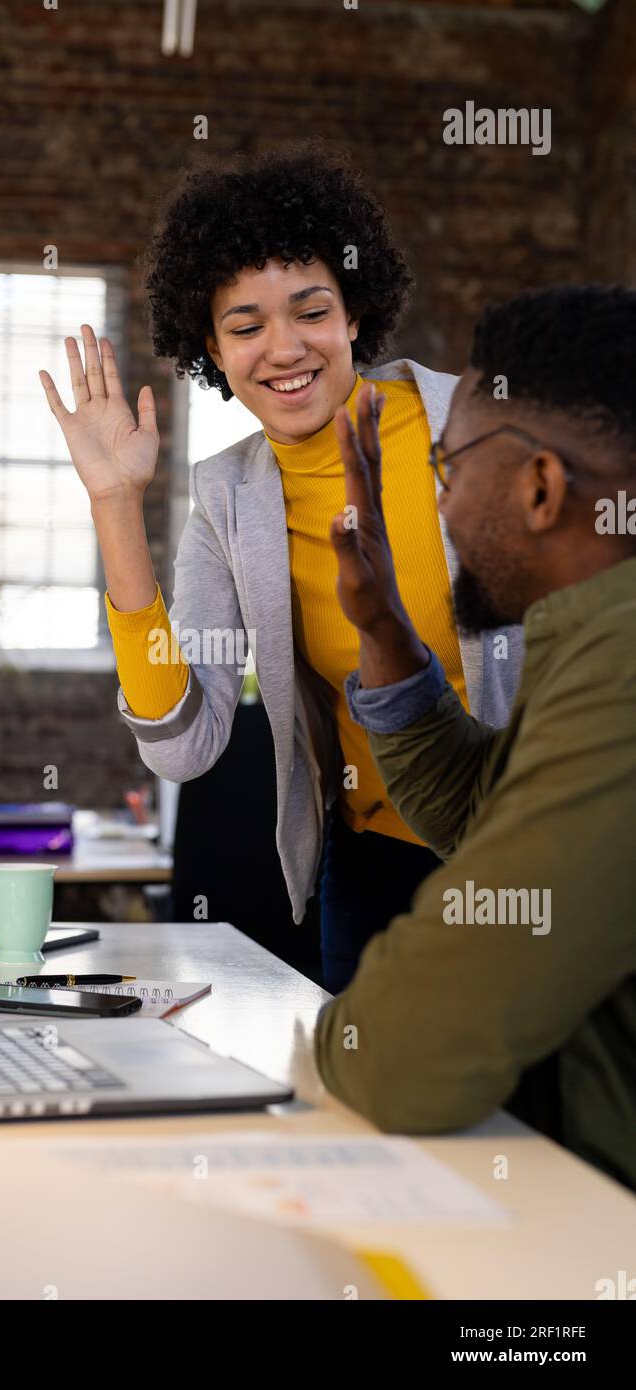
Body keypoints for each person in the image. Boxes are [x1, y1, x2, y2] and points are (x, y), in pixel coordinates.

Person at [40, 139, 522, 992]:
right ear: (212, 350)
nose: (283, 348)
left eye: (310, 311)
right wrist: (114, 502)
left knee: (535, 1124)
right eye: (245, 325)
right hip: (374, 874)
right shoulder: (227, 500)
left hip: (532, 862)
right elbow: (184, 746)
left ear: (355, 314)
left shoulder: (479, 426)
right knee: (368, 1120)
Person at [314, 283, 636, 1191]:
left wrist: (343, 1019)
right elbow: (472, 806)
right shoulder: (593, 639)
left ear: (539, 486)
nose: (442, 513)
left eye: (448, 473)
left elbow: (401, 1055)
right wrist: (380, 625)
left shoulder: (620, 668)